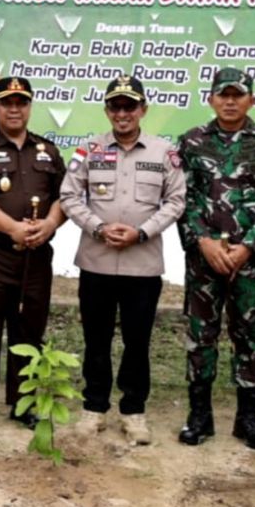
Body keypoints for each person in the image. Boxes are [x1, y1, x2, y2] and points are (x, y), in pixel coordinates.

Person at [59, 76, 185, 445]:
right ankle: (94, 408)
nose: (123, 113)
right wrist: (98, 227)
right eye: (116, 106)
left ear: (143, 109)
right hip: (96, 261)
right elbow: (69, 196)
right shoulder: (89, 150)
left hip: (142, 264)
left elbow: (176, 201)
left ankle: (133, 411)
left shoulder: (164, 153)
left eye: (130, 106)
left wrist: (142, 231)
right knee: (95, 339)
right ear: (107, 111)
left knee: (137, 341)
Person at [175, 68, 255, 451]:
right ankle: (199, 415)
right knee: (200, 337)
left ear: (251, 100)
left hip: (249, 263)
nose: (229, 101)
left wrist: (248, 246)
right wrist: (203, 241)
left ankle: (248, 417)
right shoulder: (191, 142)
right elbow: (182, 199)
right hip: (203, 259)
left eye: (237, 95)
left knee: (249, 336)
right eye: (222, 94)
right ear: (211, 99)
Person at [0, 77, 66, 434]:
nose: (14, 108)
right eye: (7, 103)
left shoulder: (48, 151)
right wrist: (12, 228)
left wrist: (49, 224)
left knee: (29, 332)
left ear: (30, 106)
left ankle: (24, 404)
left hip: (35, 258)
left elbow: (67, 196)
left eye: (21, 102)